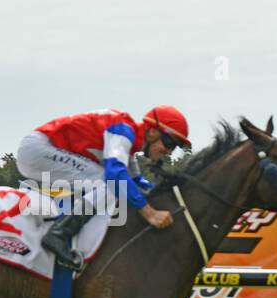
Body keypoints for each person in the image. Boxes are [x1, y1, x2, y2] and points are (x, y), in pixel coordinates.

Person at [15, 106, 192, 270]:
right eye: (169, 143)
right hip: (37, 149)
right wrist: (149, 213)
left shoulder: (128, 145)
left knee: (118, 182)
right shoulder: (123, 130)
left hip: (41, 149)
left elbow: (138, 183)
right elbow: (115, 176)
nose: (169, 151)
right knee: (111, 182)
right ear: (152, 132)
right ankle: (59, 233)